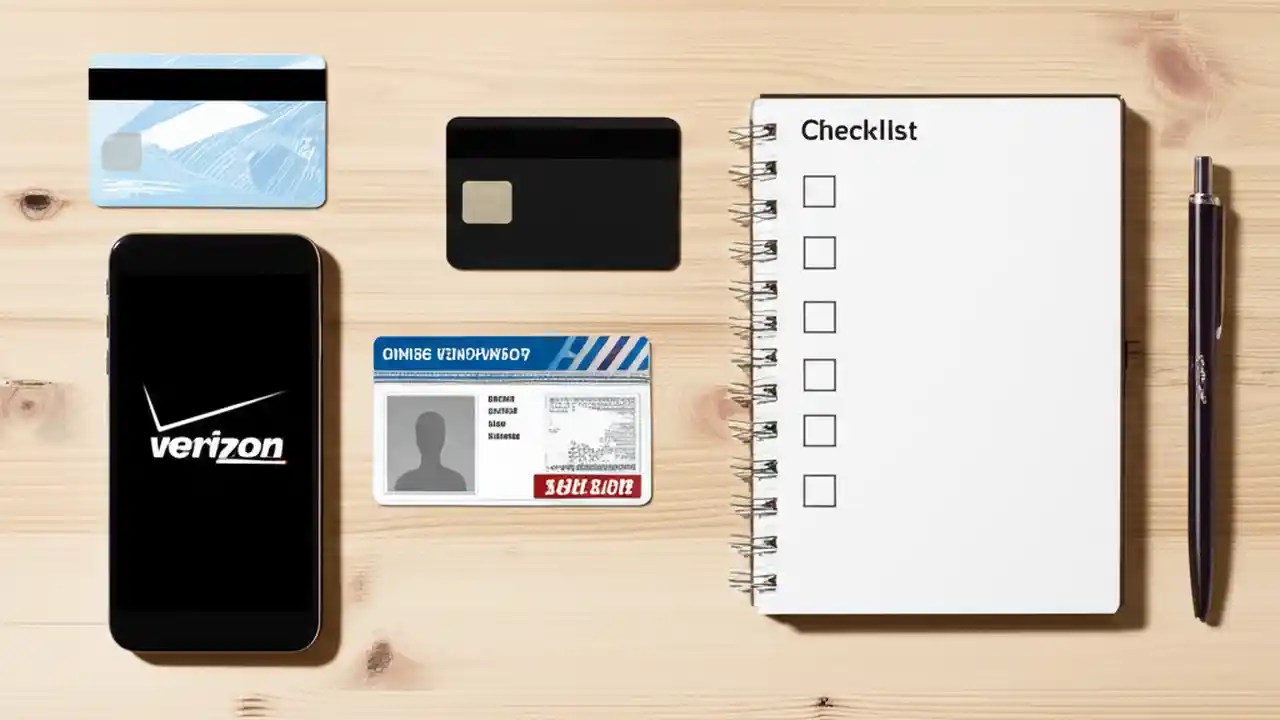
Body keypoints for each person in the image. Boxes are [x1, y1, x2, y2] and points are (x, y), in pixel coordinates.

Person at [395, 411, 466, 492]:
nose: (430, 441)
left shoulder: (405, 482)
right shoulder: (455, 481)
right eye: (426, 435)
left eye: (434, 435)